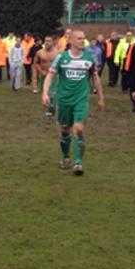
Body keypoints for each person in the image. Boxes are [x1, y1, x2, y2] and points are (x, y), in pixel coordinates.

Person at [42, 30, 104, 176]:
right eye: (79, 38)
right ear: (70, 40)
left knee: (78, 129)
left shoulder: (89, 58)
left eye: (84, 38)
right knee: (65, 129)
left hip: (81, 100)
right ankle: (65, 157)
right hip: (64, 100)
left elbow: (95, 78)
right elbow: (50, 75)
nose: (83, 41)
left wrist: (101, 97)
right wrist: (45, 93)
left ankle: (78, 163)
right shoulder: (61, 58)